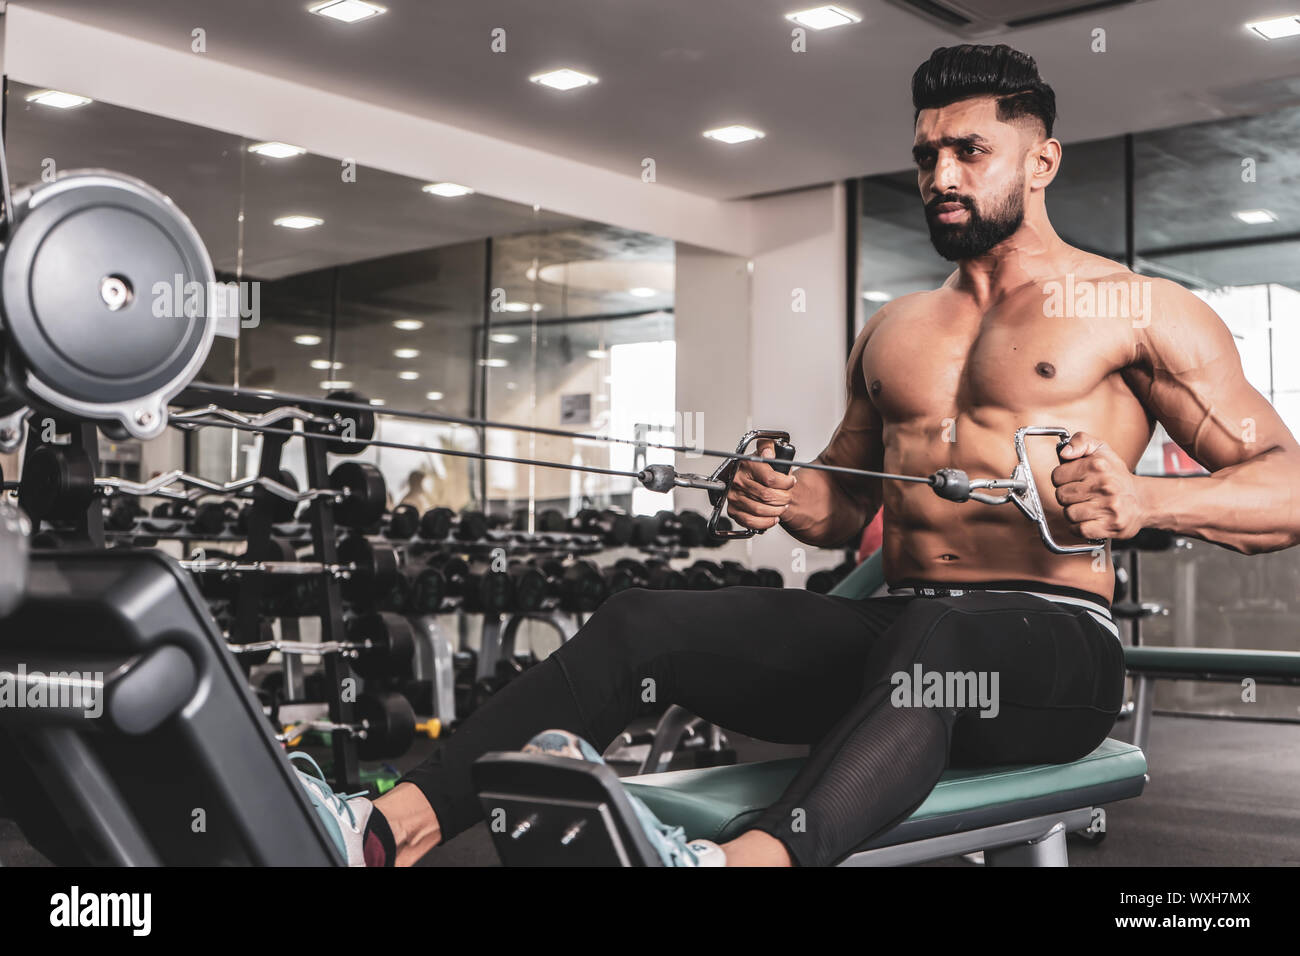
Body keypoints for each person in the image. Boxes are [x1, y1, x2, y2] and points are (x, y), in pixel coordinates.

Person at [297, 43, 1300, 867]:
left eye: (970, 151)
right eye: (926, 156)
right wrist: (777, 491)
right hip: (901, 636)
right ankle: (386, 829)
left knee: (938, 643)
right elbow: (842, 504)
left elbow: (1286, 489)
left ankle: (742, 864)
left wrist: (1147, 503)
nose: (942, 177)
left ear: (1041, 161)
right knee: (643, 620)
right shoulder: (894, 329)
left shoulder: (1137, 308)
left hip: (1054, 656)